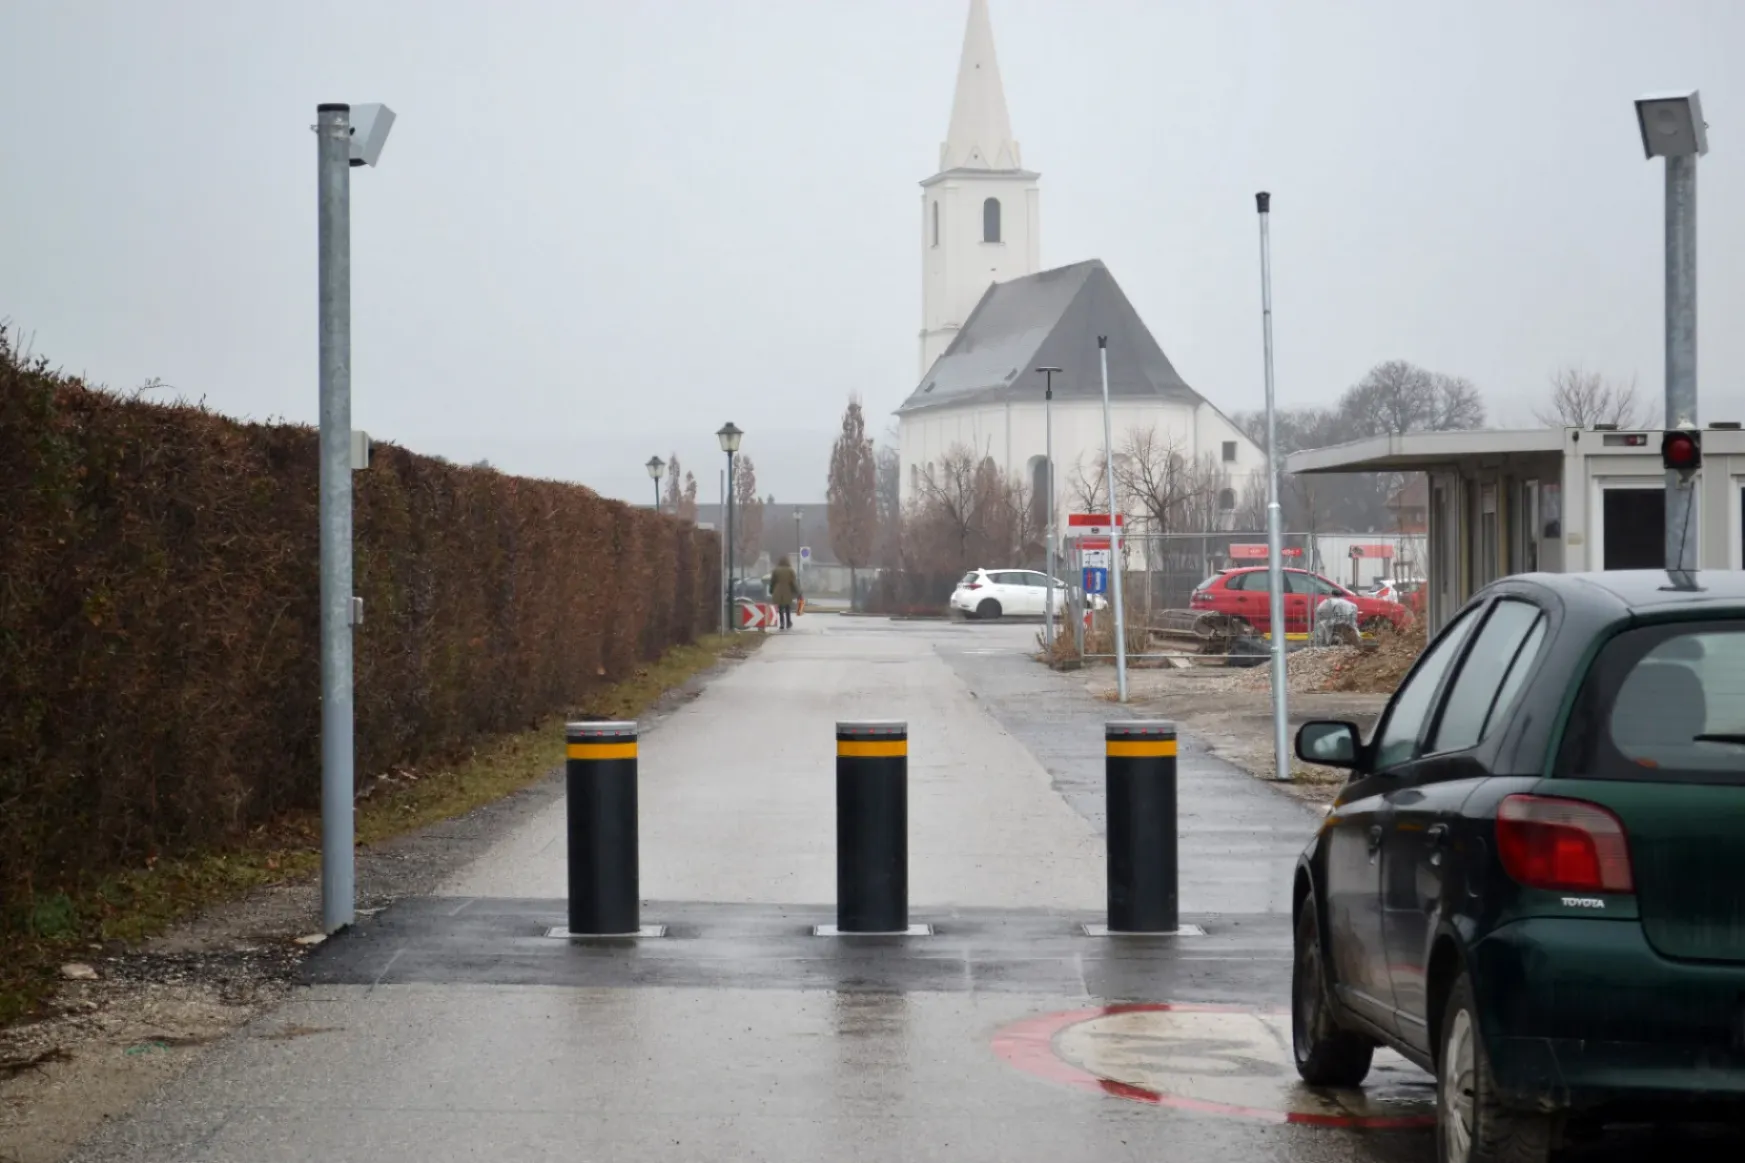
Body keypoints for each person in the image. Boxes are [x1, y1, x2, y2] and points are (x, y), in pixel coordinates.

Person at [769, 556, 801, 631]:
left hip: (778, 590)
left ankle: (782, 623)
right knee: (787, 607)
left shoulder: (776, 570)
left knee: (780, 608)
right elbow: (793, 582)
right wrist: (797, 592)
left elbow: (772, 582)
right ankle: (788, 622)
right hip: (787, 590)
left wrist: (771, 590)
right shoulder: (790, 571)